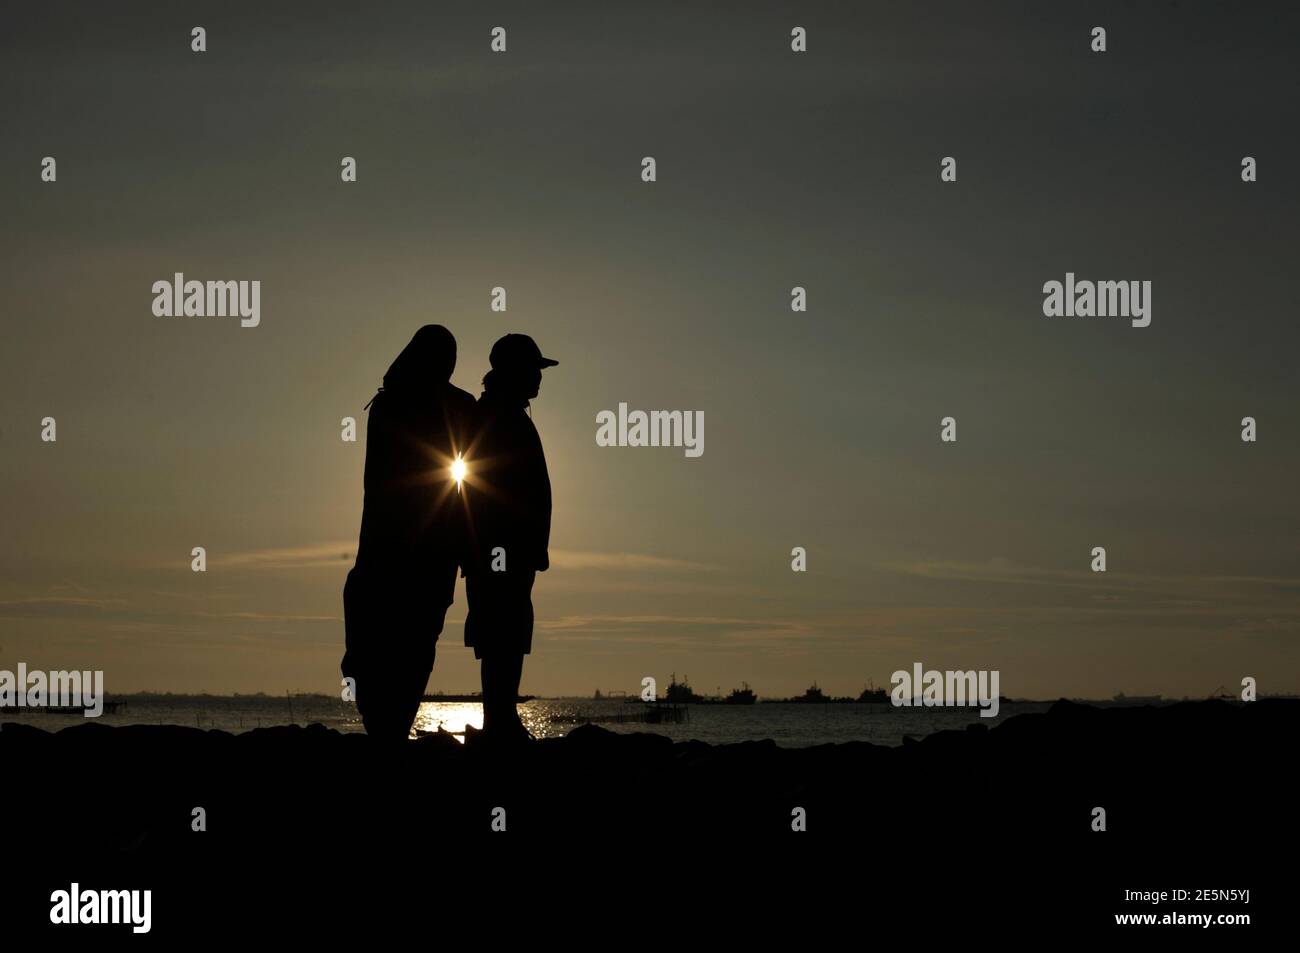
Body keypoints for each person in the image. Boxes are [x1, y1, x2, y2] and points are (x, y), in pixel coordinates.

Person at [341, 325, 476, 740]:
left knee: (408, 636)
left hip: (412, 545)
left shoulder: (402, 403)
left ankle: (390, 725)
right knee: (400, 636)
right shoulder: (416, 404)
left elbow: (468, 478)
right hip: (400, 544)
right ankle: (387, 722)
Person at [461, 333, 558, 744]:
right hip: (501, 549)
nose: (539, 377)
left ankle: (501, 720)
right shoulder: (498, 417)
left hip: (506, 548)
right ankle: (499, 723)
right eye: (534, 369)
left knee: (506, 631)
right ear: (515, 372)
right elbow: (485, 489)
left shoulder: (499, 414)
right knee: (502, 632)